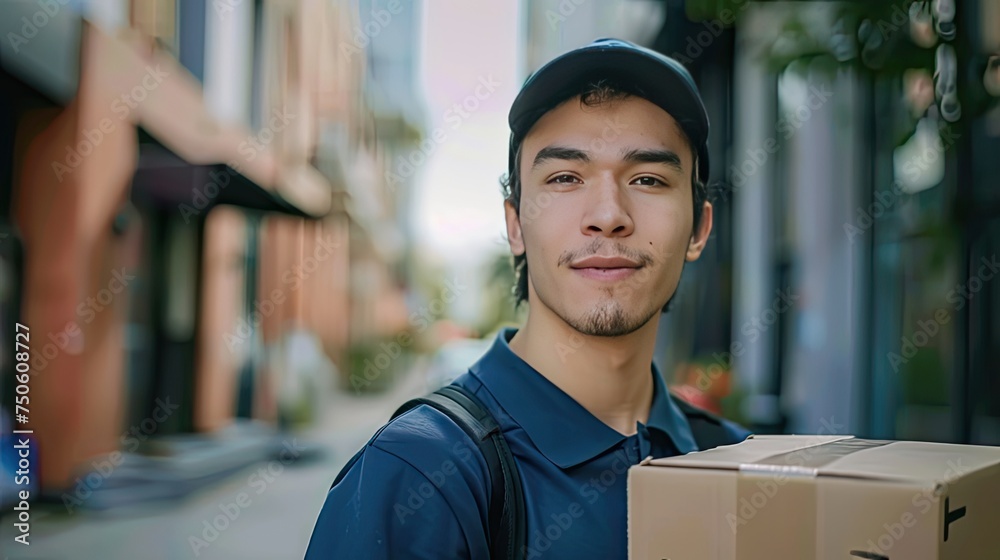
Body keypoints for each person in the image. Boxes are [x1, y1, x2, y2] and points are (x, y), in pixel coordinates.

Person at [305, 38, 751, 560]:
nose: (608, 215)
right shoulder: (419, 474)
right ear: (515, 225)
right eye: (565, 178)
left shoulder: (738, 462)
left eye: (648, 179)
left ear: (699, 229)